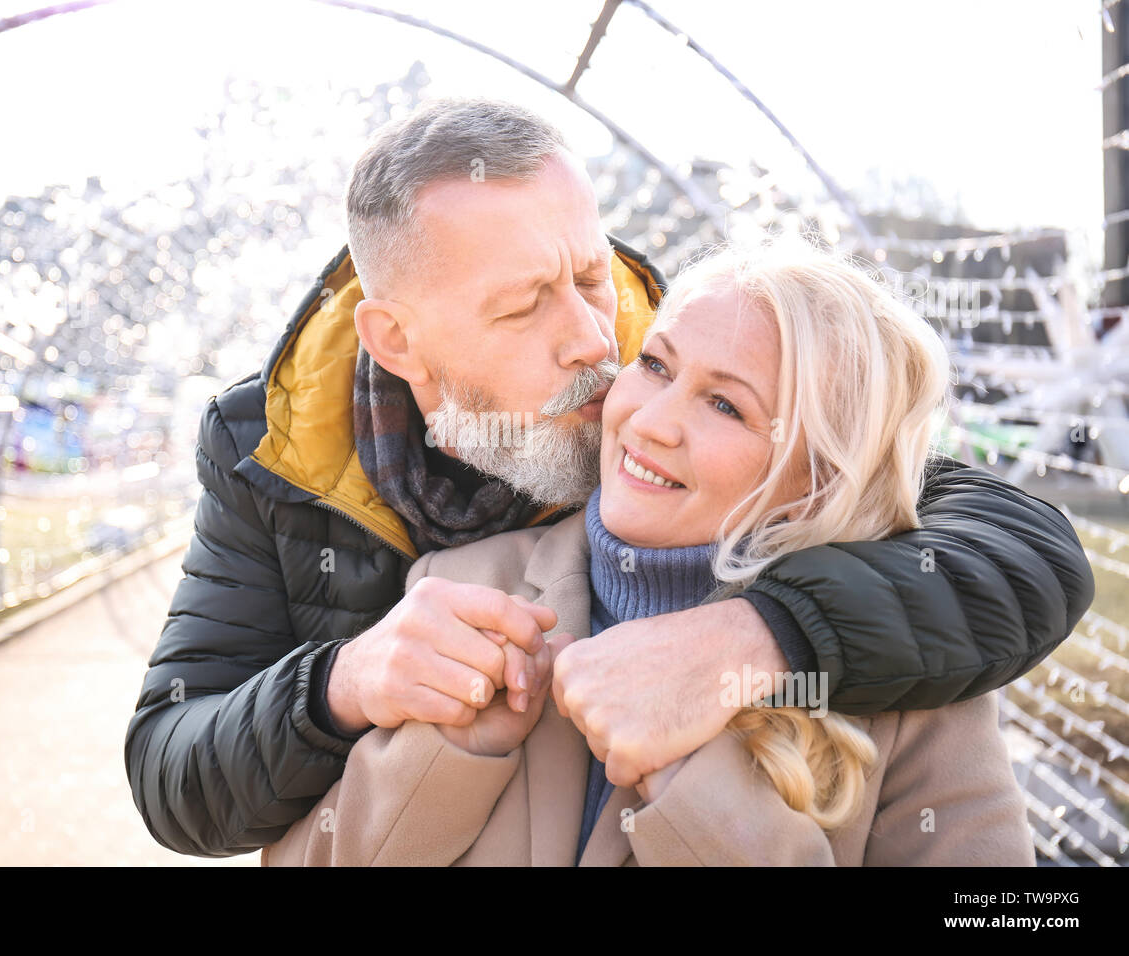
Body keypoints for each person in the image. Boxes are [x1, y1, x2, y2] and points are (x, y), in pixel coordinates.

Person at [124, 97, 1093, 858]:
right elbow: (178, 769)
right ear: (397, 341)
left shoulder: (687, 341)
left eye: (590, 275)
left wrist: (759, 635)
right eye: (523, 307)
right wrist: (342, 682)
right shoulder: (272, 453)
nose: (597, 342)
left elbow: (1003, 540)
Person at [260, 238, 1038, 866]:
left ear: (818, 478)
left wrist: (689, 782)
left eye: (727, 405)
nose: (650, 421)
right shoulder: (457, 586)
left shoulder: (916, 689)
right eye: (657, 365)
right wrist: (448, 757)